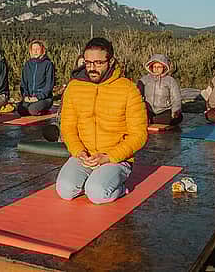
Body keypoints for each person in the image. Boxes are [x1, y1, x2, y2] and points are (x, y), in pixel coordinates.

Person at [56, 37, 148, 204]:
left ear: (111, 61)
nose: (92, 68)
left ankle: (120, 188)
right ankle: (94, 178)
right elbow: (68, 127)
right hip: (84, 156)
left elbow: (139, 135)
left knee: (97, 193)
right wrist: (79, 152)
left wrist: (108, 157)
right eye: (88, 62)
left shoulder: (128, 89)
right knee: (65, 190)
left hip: (116, 158)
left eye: (98, 63)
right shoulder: (74, 87)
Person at [42, 54, 84, 142]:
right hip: (66, 118)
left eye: (84, 64)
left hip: (80, 120)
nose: (82, 67)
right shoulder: (72, 83)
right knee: (48, 131)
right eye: (81, 64)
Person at [137, 54, 183, 126]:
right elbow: (137, 96)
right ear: (151, 67)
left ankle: (153, 121)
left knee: (177, 118)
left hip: (164, 111)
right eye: (154, 67)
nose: (156, 69)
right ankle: (150, 120)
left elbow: (176, 98)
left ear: (164, 67)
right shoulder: (144, 80)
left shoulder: (170, 81)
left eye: (159, 67)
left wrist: (175, 111)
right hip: (149, 110)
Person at [17, 40, 55, 116]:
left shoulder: (48, 64)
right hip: (30, 97)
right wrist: (26, 96)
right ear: (30, 51)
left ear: (42, 50)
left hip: (44, 98)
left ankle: (44, 109)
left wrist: (38, 97)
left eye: (38, 49)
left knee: (32, 110)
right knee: (21, 109)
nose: (35, 51)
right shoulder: (27, 65)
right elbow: (23, 84)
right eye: (33, 49)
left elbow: (49, 86)